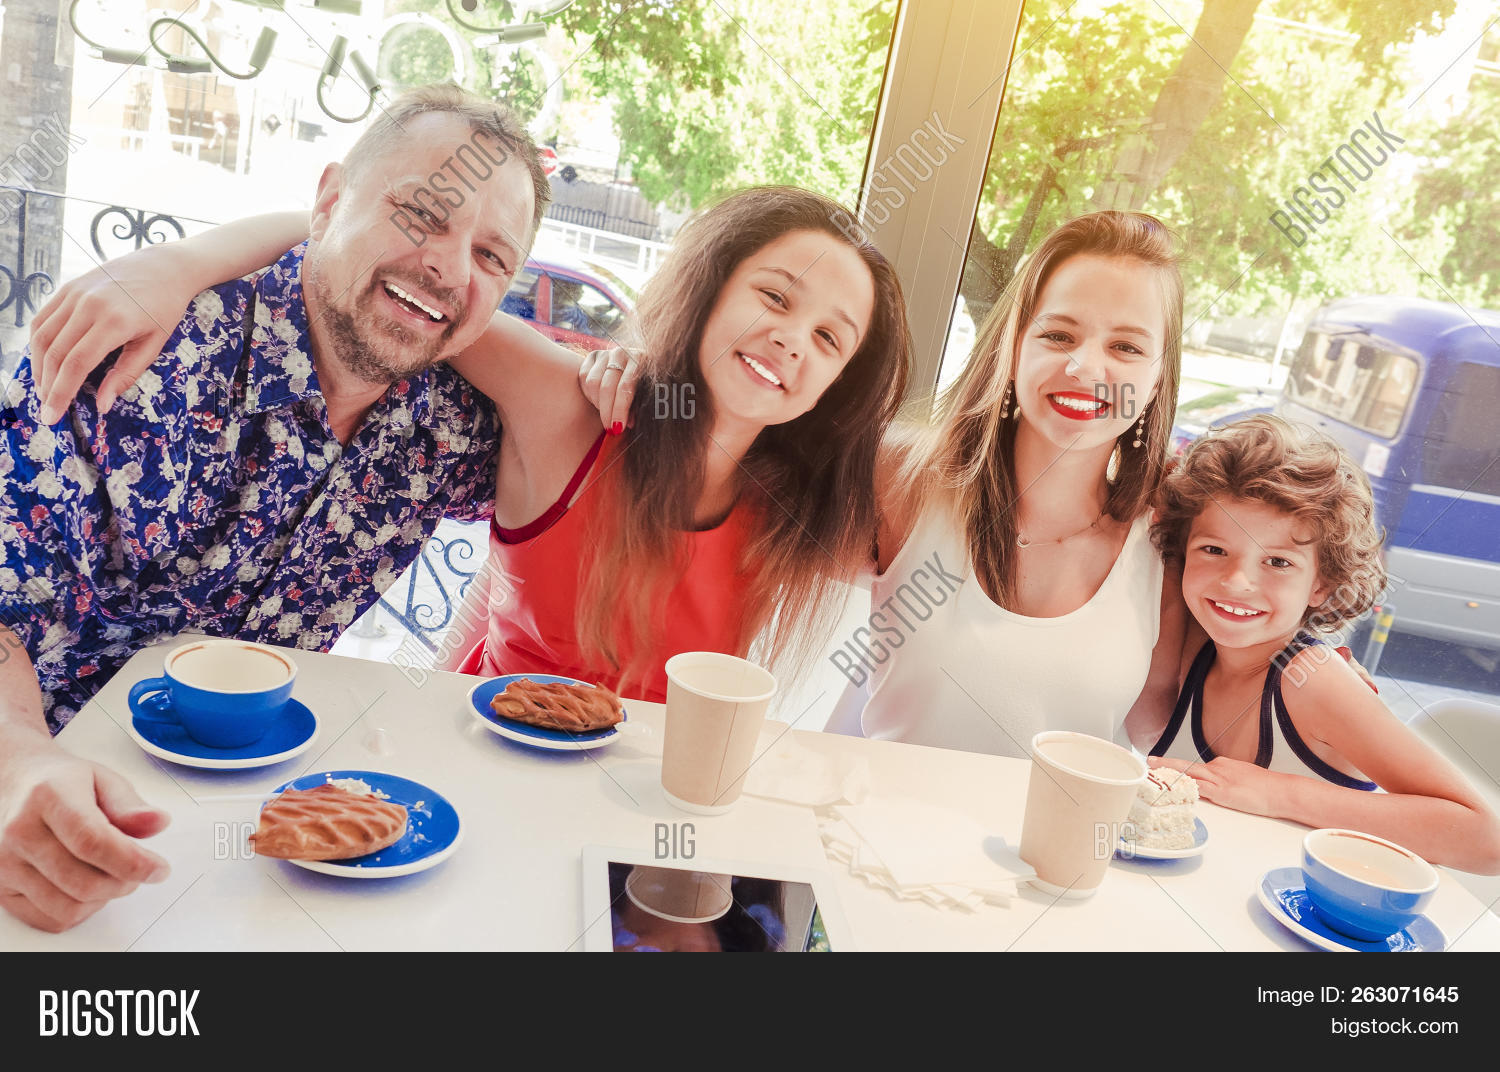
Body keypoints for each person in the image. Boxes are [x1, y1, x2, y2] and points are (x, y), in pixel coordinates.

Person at [0, 83, 552, 932]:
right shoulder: (137, 352)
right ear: (329, 201)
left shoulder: (452, 429)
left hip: (250, 852)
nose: (448, 266)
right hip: (42, 809)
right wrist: (20, 764)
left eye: (491, 256)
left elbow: (602, 427)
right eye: (421, 213)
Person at [28, 186, 912, 703]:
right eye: (776, 297)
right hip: (488, 764)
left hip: (647, 818)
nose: (792, 339)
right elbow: (355, 245)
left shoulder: (809, 509)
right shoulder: (567, 402)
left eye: (830, 338)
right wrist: (176, 264)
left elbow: (981, 490)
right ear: (711, 290)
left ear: (838, 384)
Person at [824, 211, 1190, 756]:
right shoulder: (905, 477)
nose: (1085, 368)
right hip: (879, 807)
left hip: (1059, 818)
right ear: (1014, 349)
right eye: (1059, 335)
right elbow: (741, 544)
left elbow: (1163, 736)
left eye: (1126, 348)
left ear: (1158, 377)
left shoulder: (1167, 541)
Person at [1146, 416, 1500, 873]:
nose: (1236, 581)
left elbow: (1486, 839)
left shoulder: (1309, 680)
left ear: (1322, 584)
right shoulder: (1194, 645)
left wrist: (1279, 794)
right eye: (1214, 550)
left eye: (1278, 561)